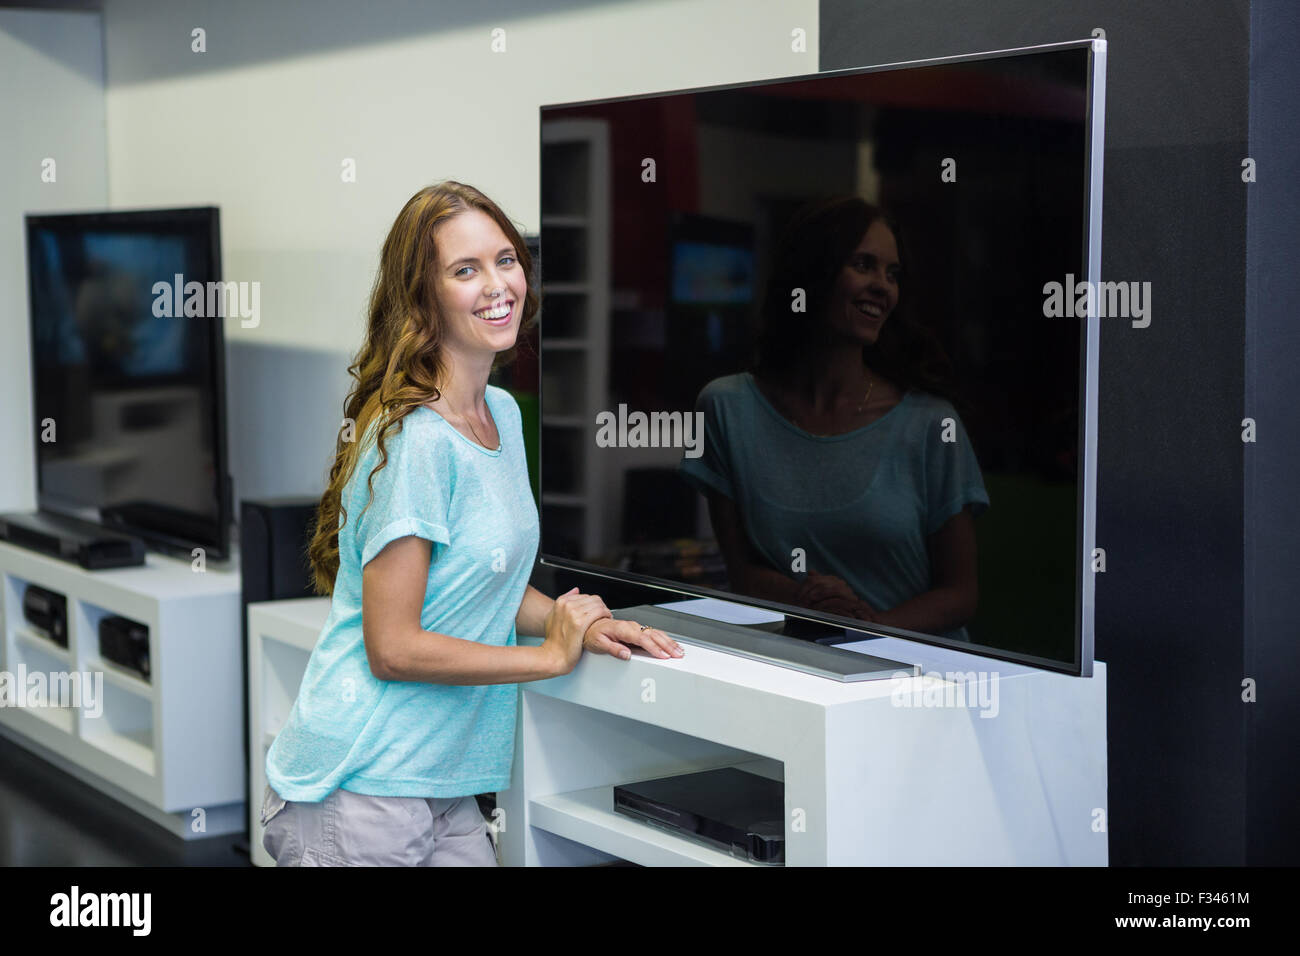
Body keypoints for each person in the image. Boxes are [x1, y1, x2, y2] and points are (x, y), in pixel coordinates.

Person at [261, 181, 683, 867]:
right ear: (424, 299)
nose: (498, 285)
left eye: (506, 260)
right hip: (360, 786)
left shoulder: (505, 415)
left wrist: (581, 625)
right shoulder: (416, 439)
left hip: (442, 785)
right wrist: (545, 659)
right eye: (466, 270)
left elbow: (480, 582)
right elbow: (392, 647)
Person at [678, 196, 988, 641]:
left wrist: (869, 627)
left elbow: (960, 594)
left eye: (892, 273)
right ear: (813, 275)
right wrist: (812, 599)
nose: (883, 286)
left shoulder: (930, 424)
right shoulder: (726, 407)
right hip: (799, 672)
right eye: (863, 265)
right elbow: (743, 573)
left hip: (919, 684)